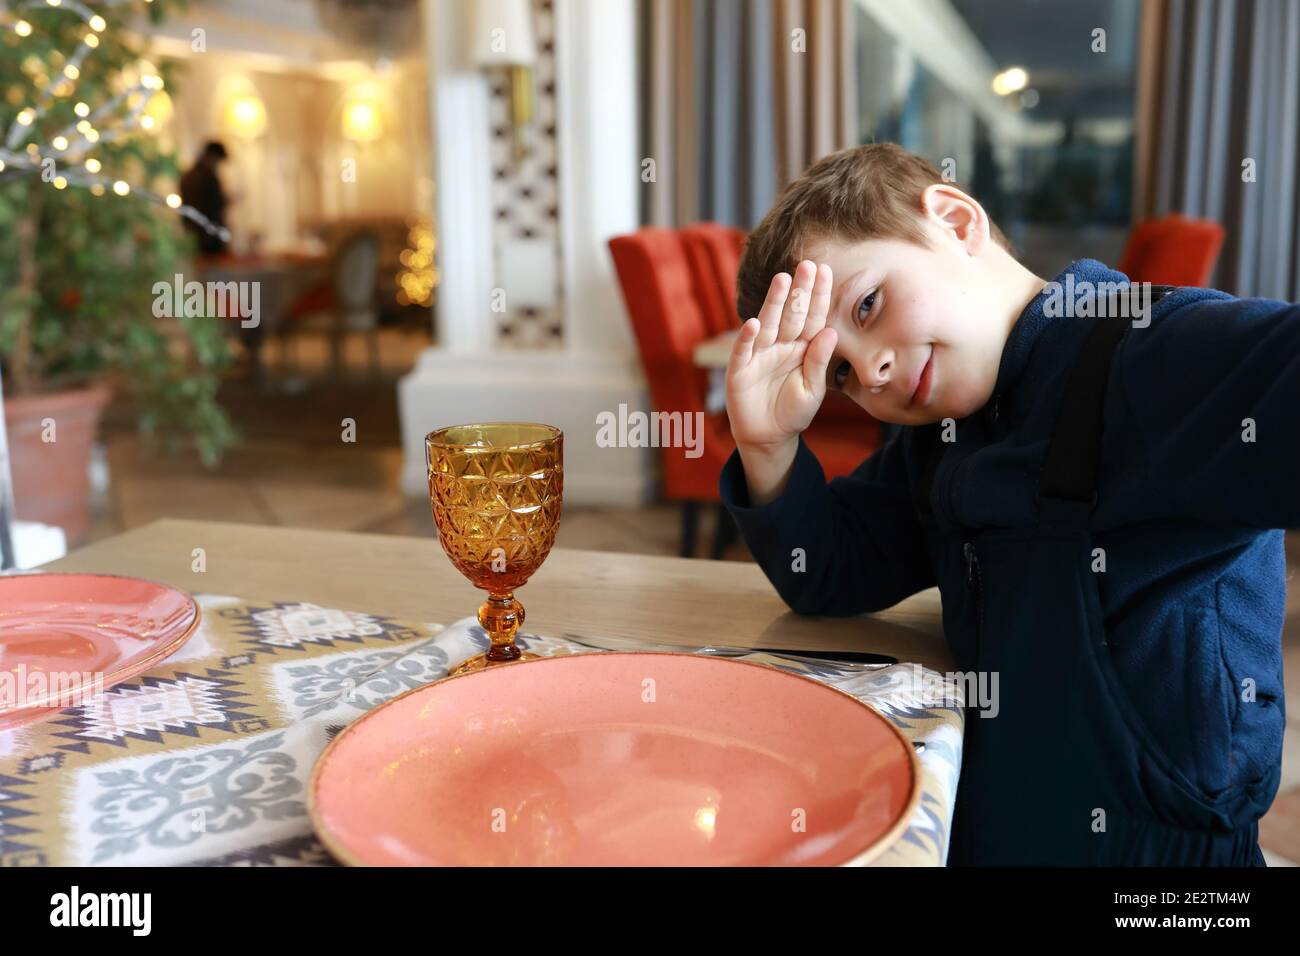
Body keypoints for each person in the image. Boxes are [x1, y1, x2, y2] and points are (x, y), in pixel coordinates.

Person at [721, 142, 1289, 866]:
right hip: (993, 818)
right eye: (839, 375)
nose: (871, 372)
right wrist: (769, 447)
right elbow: (827, 572)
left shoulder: (1153, 355)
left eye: (868, 304)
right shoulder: (940, 436)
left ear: (957, 222)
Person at [179, 140, 231, 255]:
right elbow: (215, 205)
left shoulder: (188, 176)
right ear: (212, 157)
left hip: (192, 235)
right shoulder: (208, 177)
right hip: (210, 237)